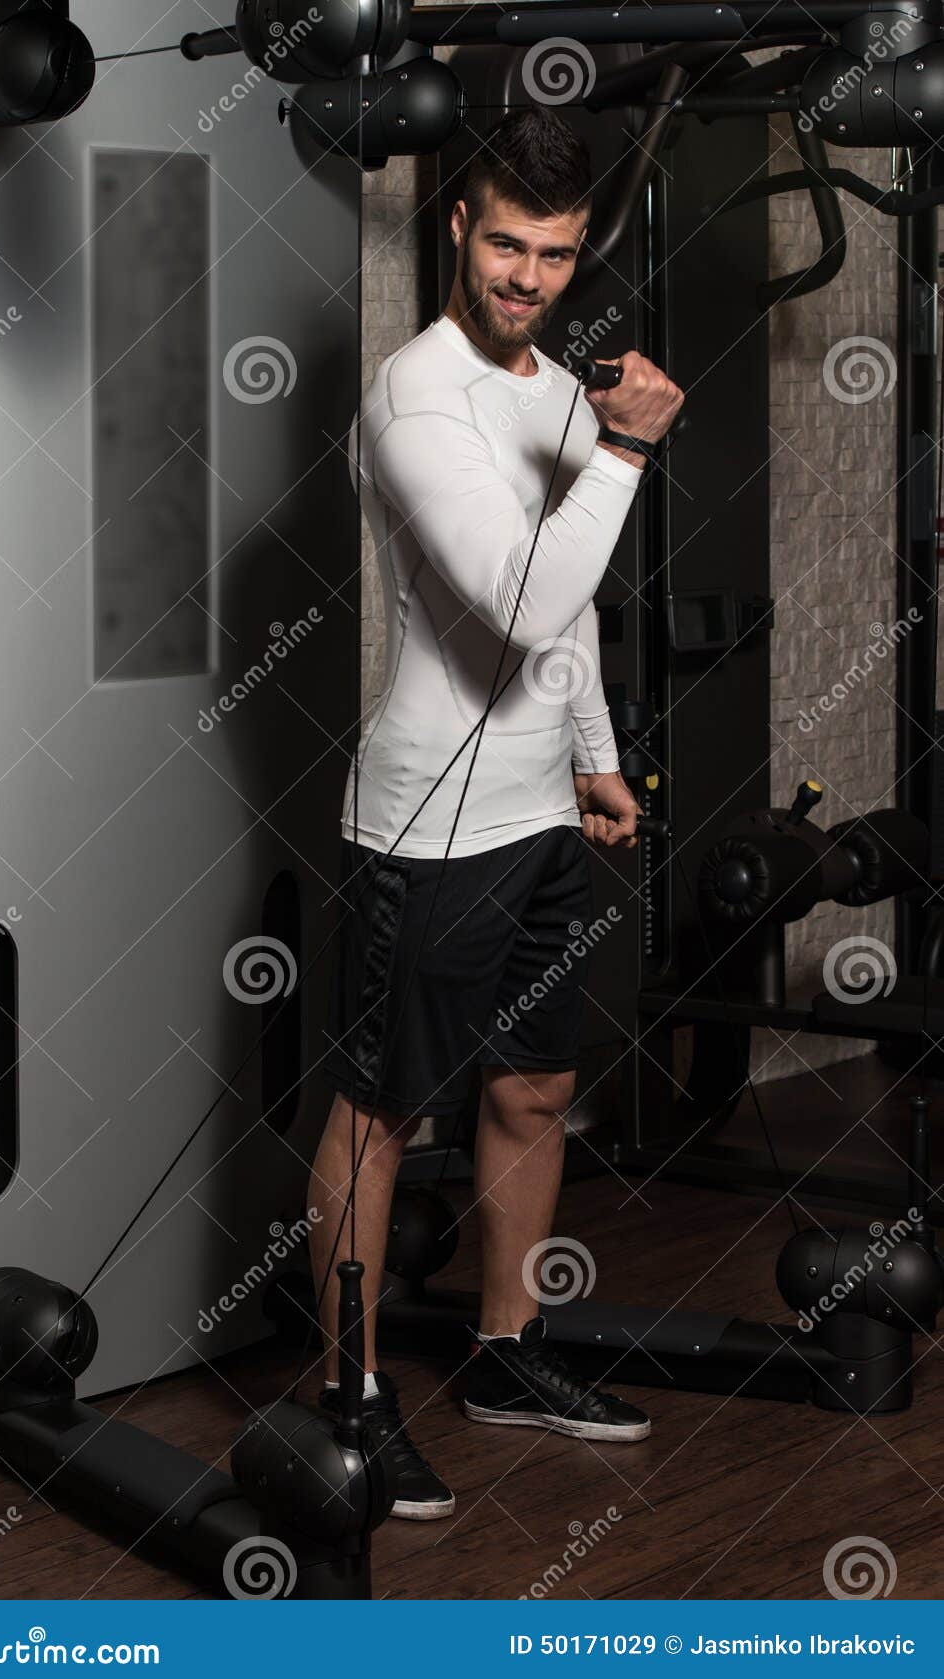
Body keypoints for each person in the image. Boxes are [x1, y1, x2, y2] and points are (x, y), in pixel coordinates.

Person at [308, 107, 684, 1520]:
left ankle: (508, 1350)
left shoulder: (555, 390)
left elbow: (564, 618)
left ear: (581, 255)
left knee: (531, 1084)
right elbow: (519, 595)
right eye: (508, 243)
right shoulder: (419, 401)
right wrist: (631, 455)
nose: (529, 277)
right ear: (459, 226)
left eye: (558, 254)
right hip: (428, 824)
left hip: (539, 813)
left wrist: (593, 752)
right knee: (385, 1104)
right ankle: (348, 1394)